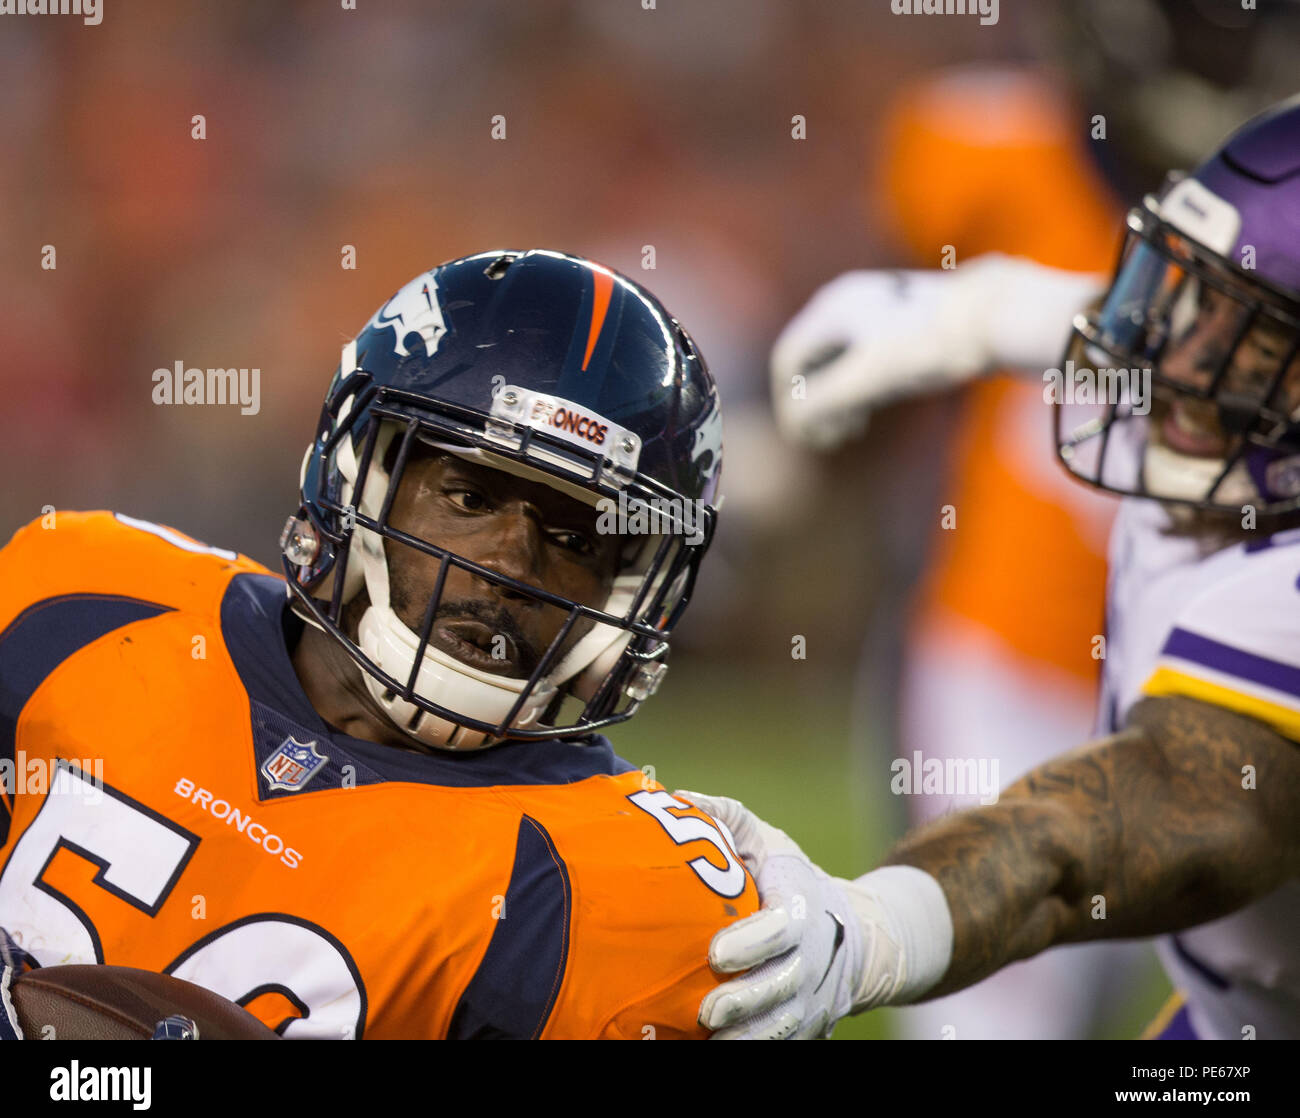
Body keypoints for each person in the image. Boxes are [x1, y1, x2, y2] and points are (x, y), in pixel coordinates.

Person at [0, 249, 754, 1040]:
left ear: (628, 594)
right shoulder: (87, 600)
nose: (509, 564)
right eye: (469, 495)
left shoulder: (613, 883)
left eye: (573, 538)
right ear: (361, 477)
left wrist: (888, 928)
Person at [689, 96, 1300, 1041]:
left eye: (1255, 347)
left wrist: (885, 925)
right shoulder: (1219, 404)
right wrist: (978, 313)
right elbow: (1188, 333)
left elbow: (1113, 831)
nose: (1179, 368)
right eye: (1191, 304)